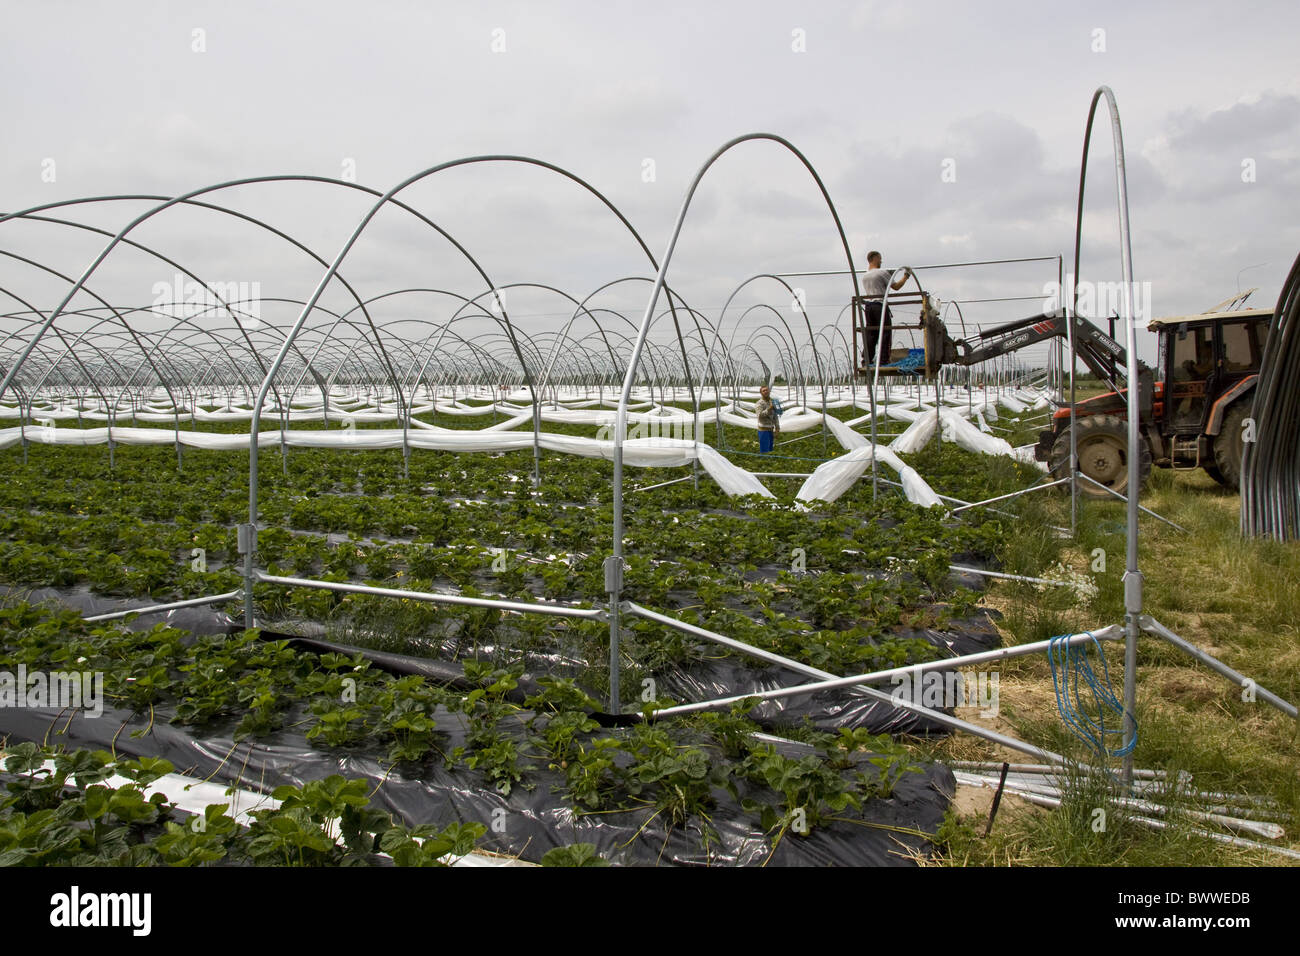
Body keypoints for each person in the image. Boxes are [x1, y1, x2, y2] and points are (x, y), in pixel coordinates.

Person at [859, 251, 911, 367]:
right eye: (880, 259)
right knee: (885, 332)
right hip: (879, 306)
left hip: (869, 307)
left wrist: (889, 274)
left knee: (871, 334)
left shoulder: (865, 275)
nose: (881, 261)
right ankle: (883, 360)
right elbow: (896, 287)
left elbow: (879, 281)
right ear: (874, 259)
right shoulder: (882, 272)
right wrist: (906, 276)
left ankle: (866, 360)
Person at [755, 384, 781, 453]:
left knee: (770, 449)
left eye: (767, 390)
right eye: (763, 391)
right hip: (763, 430)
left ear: (769, 391)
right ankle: (763, 462)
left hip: (771, 429)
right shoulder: (759, 403)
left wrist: (777, 427)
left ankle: (769, 461)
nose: (766, 391)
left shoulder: (772, 402)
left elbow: (775, 416)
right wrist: (769, 409)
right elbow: (760, 415)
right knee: (764, 451)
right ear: (761, 393)